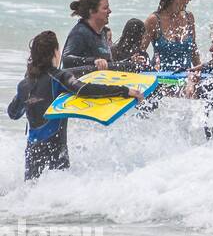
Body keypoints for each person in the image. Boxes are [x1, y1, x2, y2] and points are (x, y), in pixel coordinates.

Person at [8, 31, 141, 180]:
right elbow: (85, 89)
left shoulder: (24, 85)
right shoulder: (59, 77)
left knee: (31, 192)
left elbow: (13, 113)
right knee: (58, 194)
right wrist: (123, 90)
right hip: (56, 152)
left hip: (32, 153)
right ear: (55, 52)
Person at [143, 0, 200, 72]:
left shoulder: (189, 18)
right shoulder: (154, 20)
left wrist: (199, 70)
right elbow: (141, 52)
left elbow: (193, 50)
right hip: (162, 77)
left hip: (186, 78)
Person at [63, 0, 115, 70]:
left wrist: (130, 61)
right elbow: (66, 59)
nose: (109, 11)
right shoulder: (80, 33)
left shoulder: (103, 32)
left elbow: (110, 64)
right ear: (91, 11)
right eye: (105, 8)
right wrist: (94, 61)